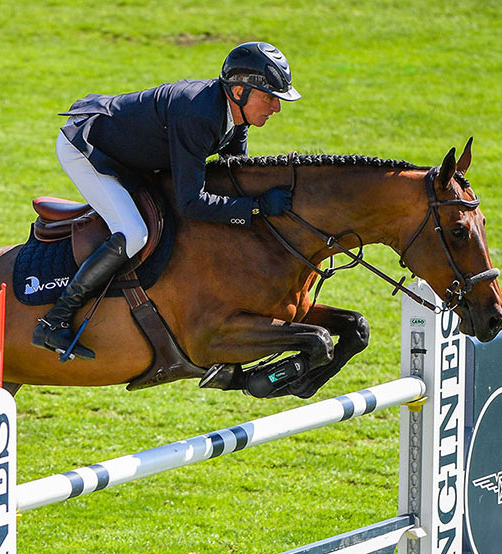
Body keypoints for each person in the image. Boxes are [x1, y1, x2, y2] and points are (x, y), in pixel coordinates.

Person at [32, 41, 302, 360]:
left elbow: (232, 176)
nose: (276, 108)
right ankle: (56, 319)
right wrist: (255, 207)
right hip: (88, 150)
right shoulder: (198, 114)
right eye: (269, 97)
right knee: (134, 233)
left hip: (133, 157)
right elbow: (191, 202)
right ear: (239, 92)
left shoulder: (235, 116)